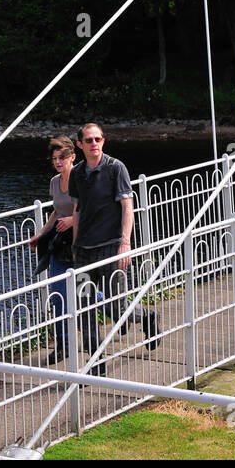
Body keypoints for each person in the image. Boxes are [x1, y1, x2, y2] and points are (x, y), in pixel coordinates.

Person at [70, 122, 158, 375]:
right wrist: (75, 246)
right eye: (89, 140)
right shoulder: (77, 174)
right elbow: (77, 210)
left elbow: (127, 207)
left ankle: (147, 317)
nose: (94, 143)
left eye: (98, 139)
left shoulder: (115, 168)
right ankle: (96, 364)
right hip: (84, 251)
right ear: (80, 144)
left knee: (116, 307)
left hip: (111, 248)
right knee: (84, 308)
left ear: (103, 142)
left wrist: (125, 244)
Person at [27, 137, 77, 364]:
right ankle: (62, 346)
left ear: (72, 157)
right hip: (61, 245)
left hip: (82, 244)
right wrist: (42, 233)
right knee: (57, 297)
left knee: (86, 297)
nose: (57, 162)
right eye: (54, 159)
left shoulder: (82, 180)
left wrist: (73, 221)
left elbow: (89, 210)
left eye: (62, 158)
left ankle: (134, 313)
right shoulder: (55, 182)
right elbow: (57, 212)